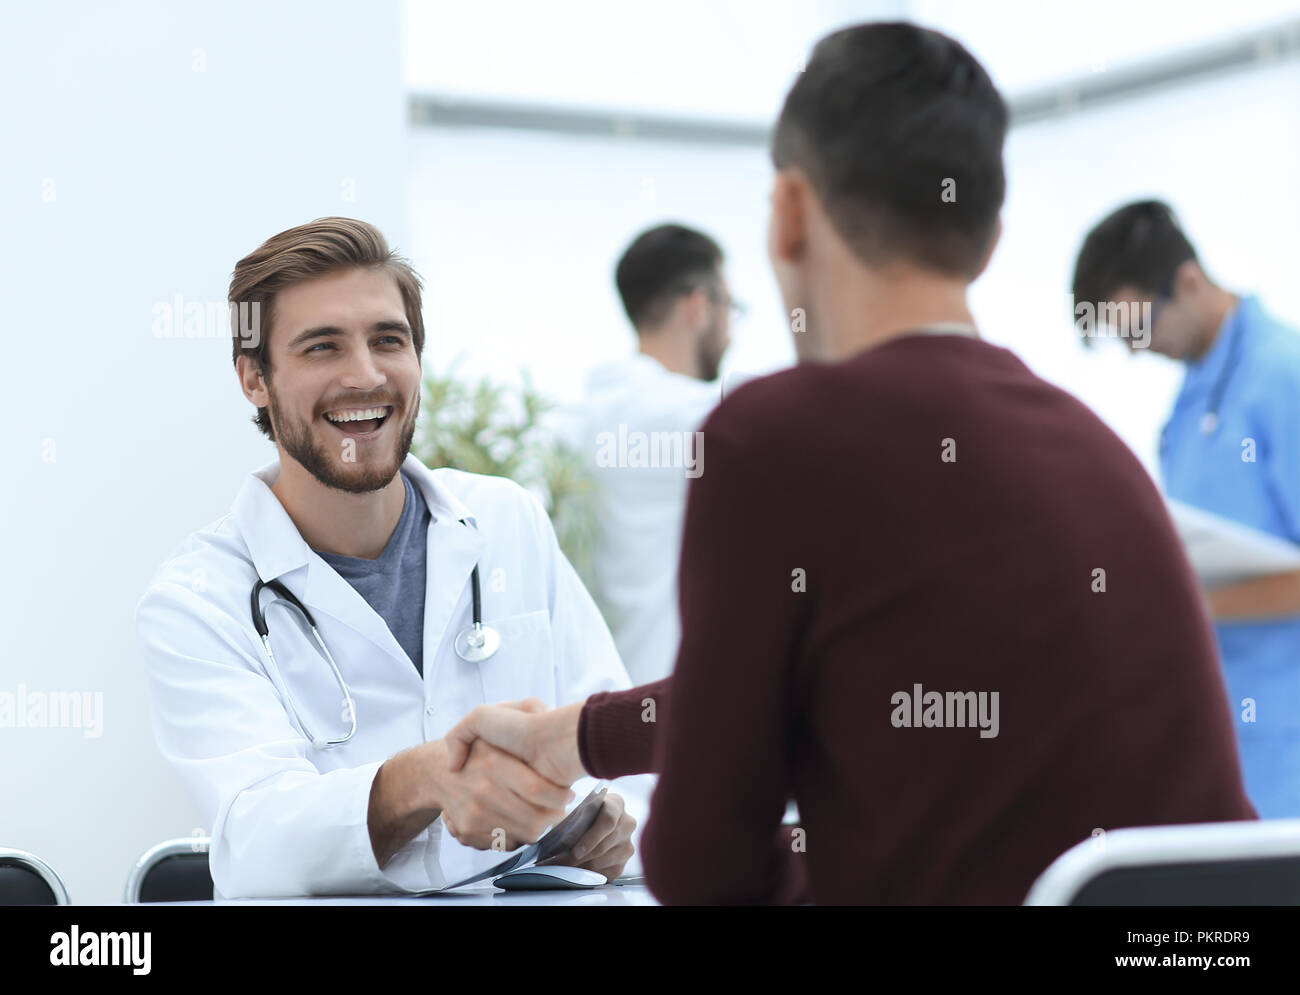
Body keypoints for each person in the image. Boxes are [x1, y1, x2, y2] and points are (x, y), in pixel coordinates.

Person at [445, 21, 1255, 905]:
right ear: (988, 239)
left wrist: (821, 849)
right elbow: (795, 695)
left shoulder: (772, 437)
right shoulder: (1098, 450)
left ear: (791, 213)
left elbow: (706, 865)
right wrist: (578, 736)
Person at [135, 218, 648, 899]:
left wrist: (612, 822)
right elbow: (255, 841)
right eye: (322, 347)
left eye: (389, 340)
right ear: (254, 379)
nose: (367, 375)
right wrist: (422, 778)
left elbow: (621, 759)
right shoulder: (198, 598)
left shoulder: (505, 522)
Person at [1073, 200, 1300, 818]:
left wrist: (1192, 607)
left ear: (1189, 282)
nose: (1136, 351)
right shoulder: (1188, 406)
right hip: (1233, 752)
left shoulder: (1284, 375)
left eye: (1138, 328)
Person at [577, 224, 738, 683]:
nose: (732, 332)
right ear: (699, 306)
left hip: (600, 690)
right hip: (666, 697)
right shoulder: (685, 414)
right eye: (731, 306)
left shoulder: (587, 412)